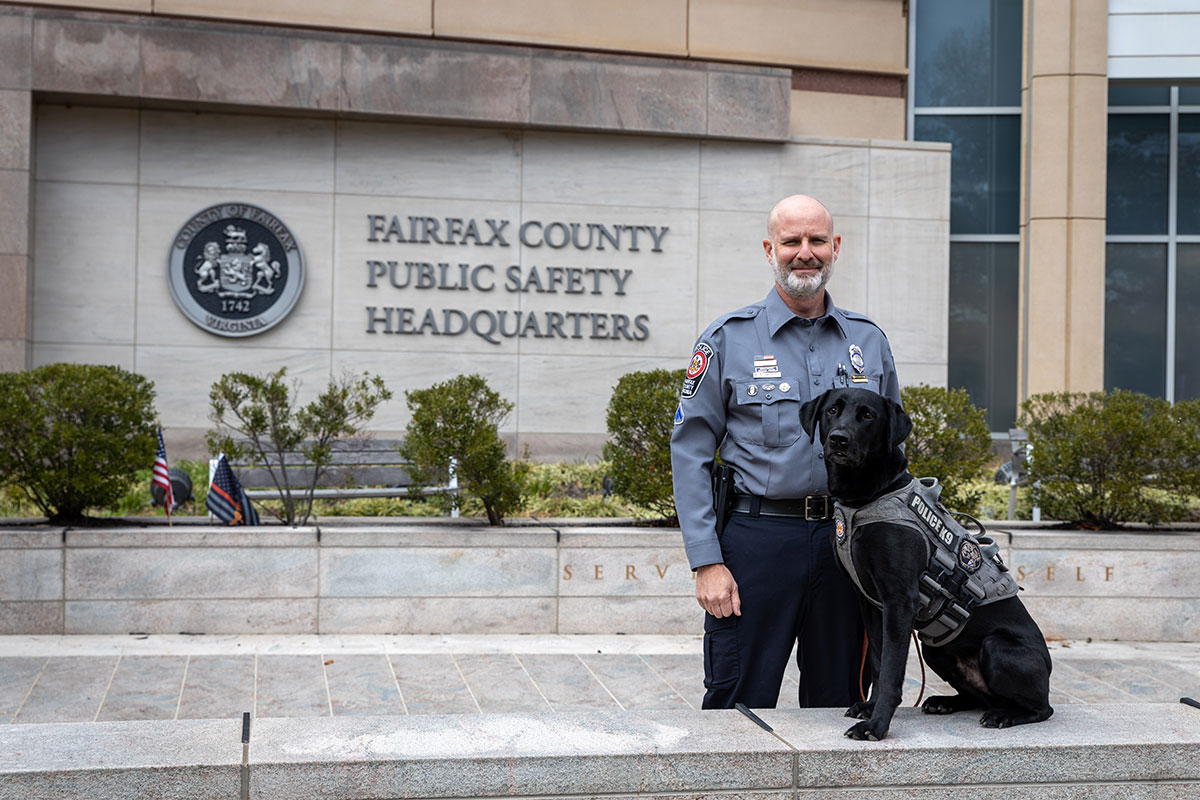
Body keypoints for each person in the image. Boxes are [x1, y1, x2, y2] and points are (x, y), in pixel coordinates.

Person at [670, 194, 901, 710]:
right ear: (769, 249)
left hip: (847, 544)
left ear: (834, 247)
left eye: (817, 240)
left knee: (842, 702)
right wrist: (706, 561)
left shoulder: (868, 342)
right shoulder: (727, 339)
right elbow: (689, 453)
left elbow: (891, 455)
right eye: (791, 241)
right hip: (757, 543)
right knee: (737, 704)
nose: (805, 252)